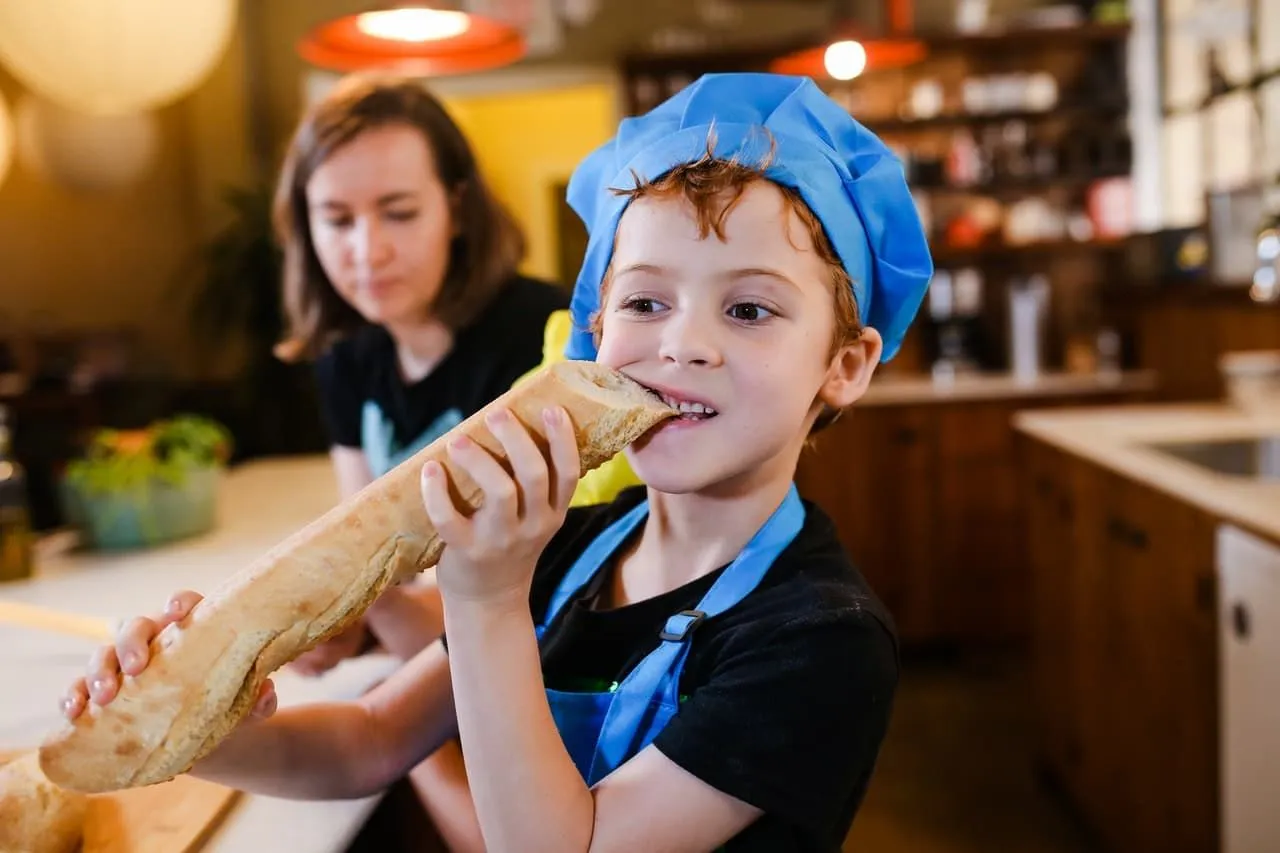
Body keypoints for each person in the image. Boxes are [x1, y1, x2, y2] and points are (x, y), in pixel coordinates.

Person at [62, 72, 933, 851]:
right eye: (643, 299)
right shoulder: (572, 545)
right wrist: (196, 725)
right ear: (595, 331)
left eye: (748, 308)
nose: (681, 343)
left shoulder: (820, 641)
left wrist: (484, 595)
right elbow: (369, 738)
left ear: (844, 364)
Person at [269, 73, 568, 675]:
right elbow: (370, 554)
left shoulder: (544, 334)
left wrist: (375, 611)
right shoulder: (345, 355)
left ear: (456, 209)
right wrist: (339, 629)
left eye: (399, 213)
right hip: (432, 671)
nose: (367, 250)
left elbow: (557, 589)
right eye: (336, 219)